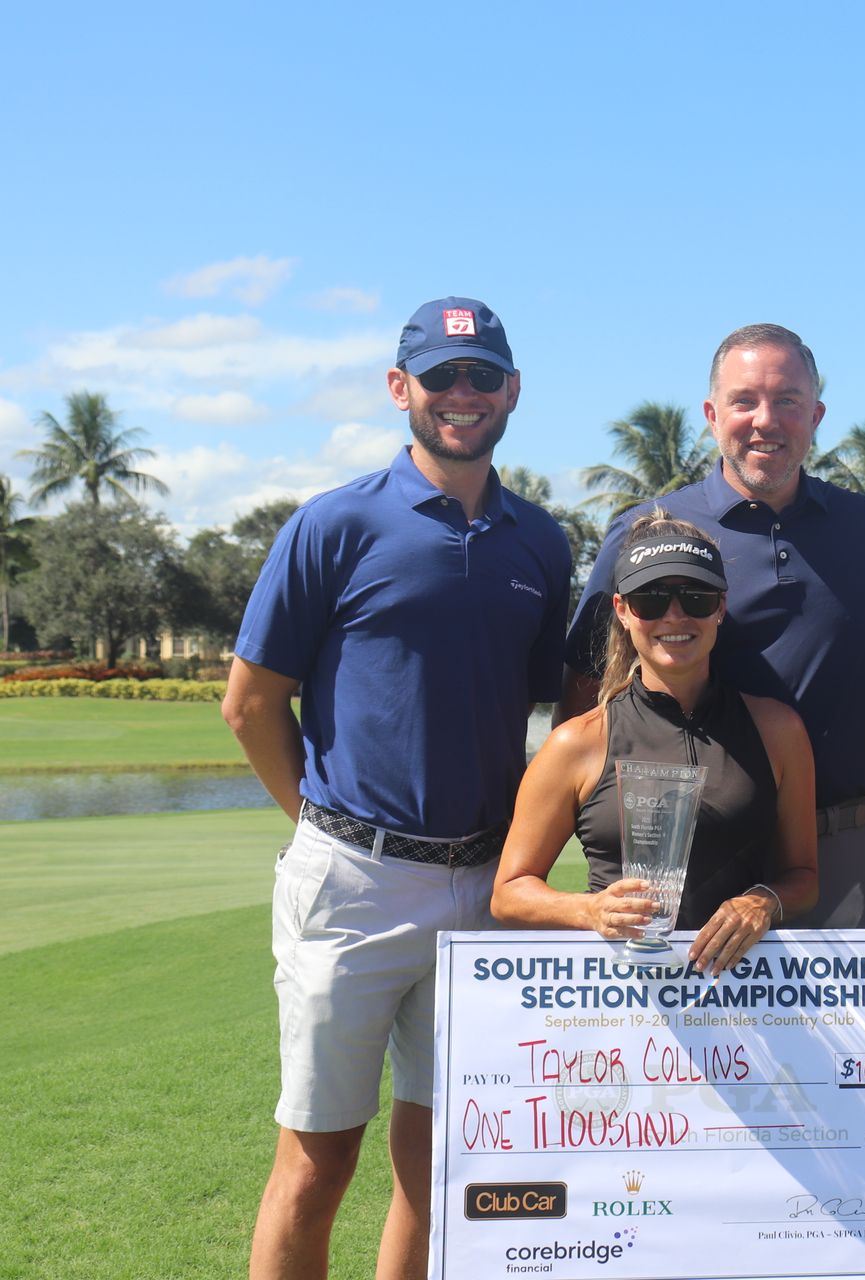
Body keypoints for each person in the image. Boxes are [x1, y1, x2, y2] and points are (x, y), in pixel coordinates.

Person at [223, 297, 570, 1279]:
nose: (461, 395)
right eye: (440, 376)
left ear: (511, 390)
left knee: (437, 1158)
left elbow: (564, 713)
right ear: (399, 388)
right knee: (317, 1155)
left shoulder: (539, 543)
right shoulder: (335, 523)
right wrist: (321, 831)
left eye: (481, 375)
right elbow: (251, 705)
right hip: (353, 882)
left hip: (481, 889)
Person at [556, 323, 865, 929]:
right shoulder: (648, 530)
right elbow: (587, 692)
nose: (765, 420)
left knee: (840, 1027)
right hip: (681, 858)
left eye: (788, 401)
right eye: (745, 401)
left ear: (816, 415)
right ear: (713, 414)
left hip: (836, 851)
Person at [492, 512, 817, 973]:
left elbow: (803, 877)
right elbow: (509, 891)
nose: (675, 616)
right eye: (651, 599)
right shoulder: (577, 742)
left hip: (742, 992)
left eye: (697, 598)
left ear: (721, 607)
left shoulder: (777, 730)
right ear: (623, 610)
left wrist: (761, 903)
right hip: (621, 995)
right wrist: (589, 911)